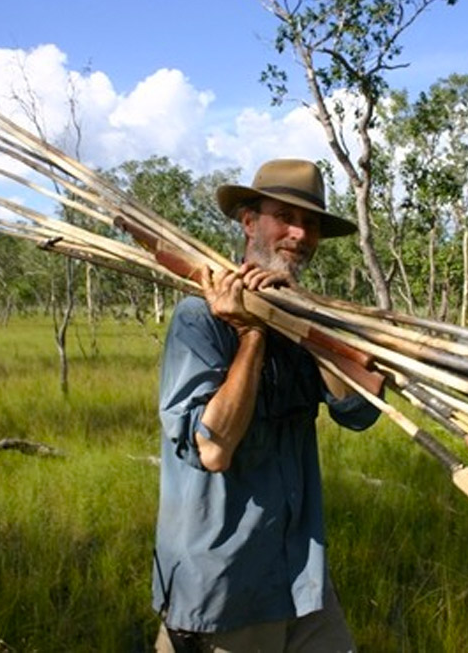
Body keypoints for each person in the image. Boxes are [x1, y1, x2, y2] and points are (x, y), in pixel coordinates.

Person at [152, 159, 381, 652]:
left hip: (302, 580)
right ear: (249, 221)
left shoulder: (310, 320)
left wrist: (308, 325)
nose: (300, 234)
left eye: (313, 223)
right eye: (286, 217)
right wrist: (252, 333)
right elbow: (212, 448)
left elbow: (358, 412)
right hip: (226, 589)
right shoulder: (201, 318)